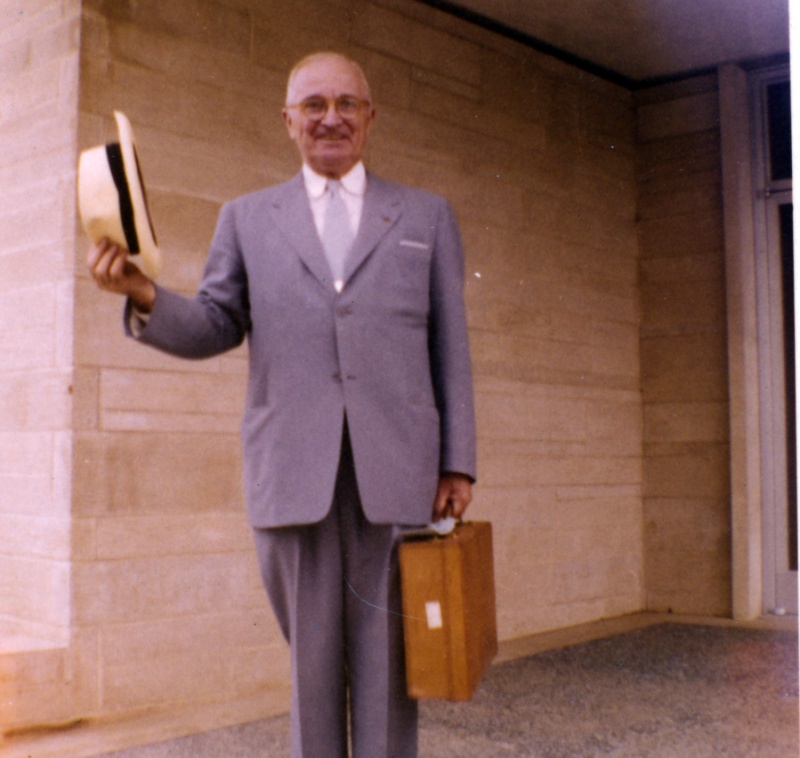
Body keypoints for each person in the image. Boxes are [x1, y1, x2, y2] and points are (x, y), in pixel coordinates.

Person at [87, 51, 477, 758]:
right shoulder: (246, 218)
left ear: (371, 116)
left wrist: (458, 465)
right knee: (311, 674)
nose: (332, 118)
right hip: (291, 476)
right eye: (314, 105)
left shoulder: (426, 216)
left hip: (399, 477)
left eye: (347, 104)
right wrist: (146, 296)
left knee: (394, 672)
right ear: (289, 120)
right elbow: (215, 323)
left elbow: (451, 346)